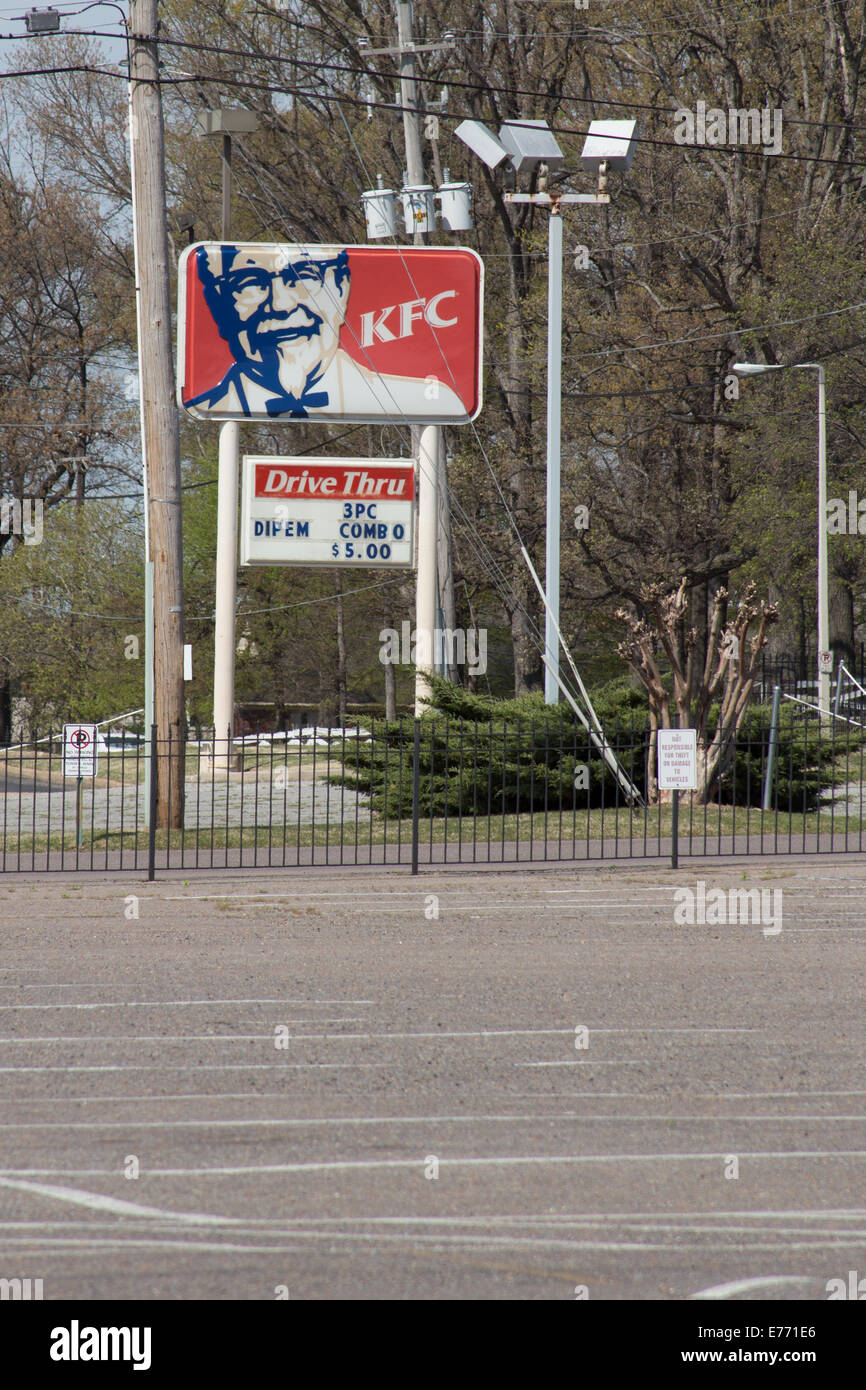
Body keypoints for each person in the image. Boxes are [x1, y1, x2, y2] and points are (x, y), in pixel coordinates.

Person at [183, 243, 466, 420]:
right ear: (218, 308)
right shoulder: (208, 406)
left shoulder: (429, 400)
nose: (280, 305)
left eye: (305, 277)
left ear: (342, 290)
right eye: (247, 284)